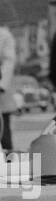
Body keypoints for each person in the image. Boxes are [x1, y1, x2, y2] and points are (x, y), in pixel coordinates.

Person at [0, 20, 16, 152]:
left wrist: (2, 85)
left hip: (1, 93)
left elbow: (8, 61)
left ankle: (8, 167)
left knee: (3, 132)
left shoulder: (4, 35)